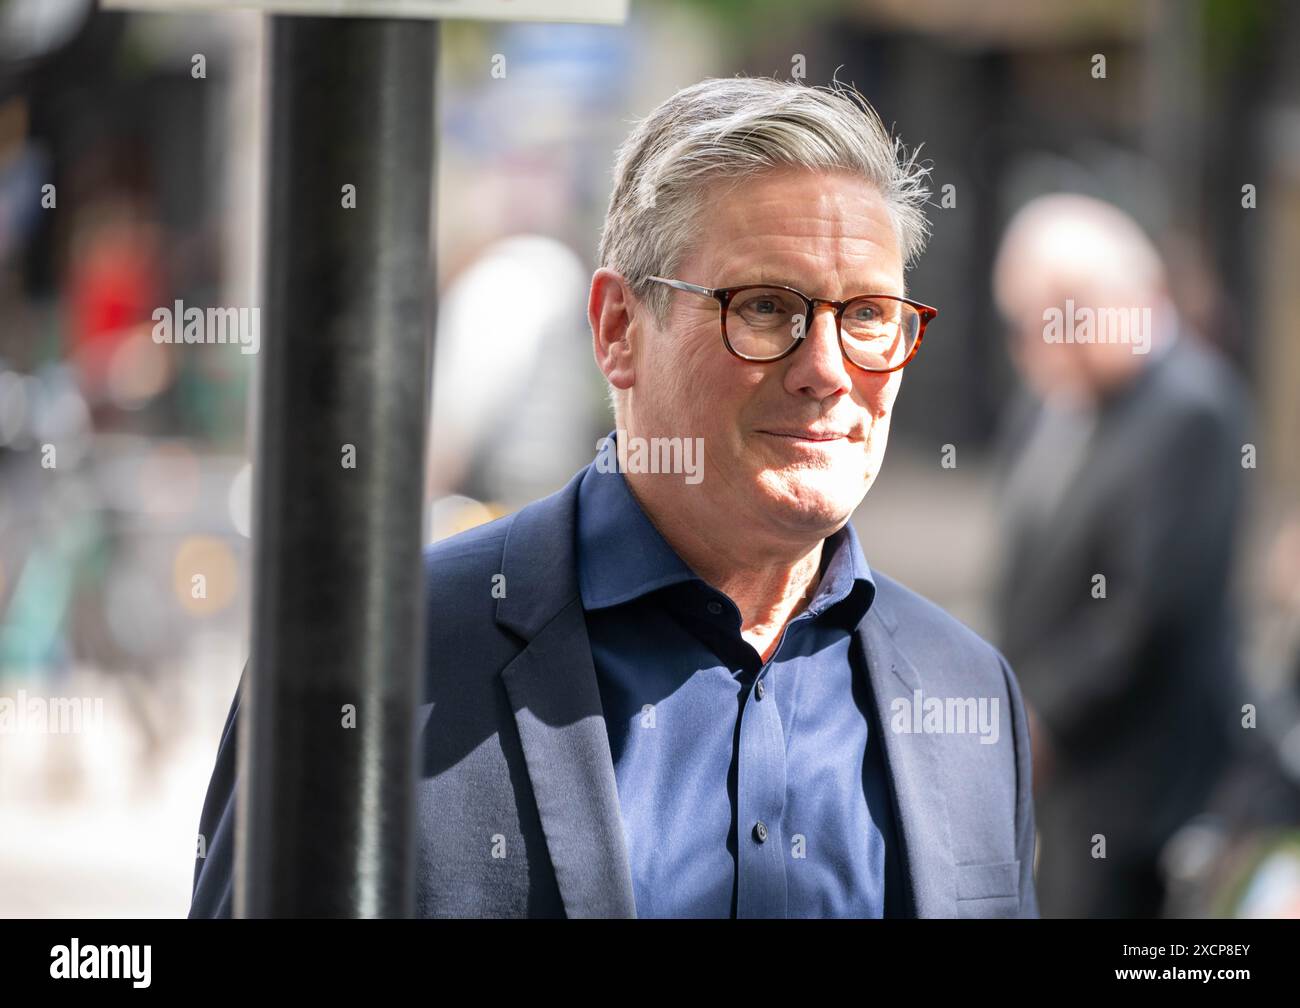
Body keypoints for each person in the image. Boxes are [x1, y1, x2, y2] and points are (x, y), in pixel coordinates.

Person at [190, 76, 1038, 918]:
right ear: (618, 330)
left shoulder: (965, 690)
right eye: (768, 307)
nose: (825, 370)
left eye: (866, 315)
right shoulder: (373, 666)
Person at [991, 193, 1250, 918]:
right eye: (1028, 324)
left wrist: (1048, 719)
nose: (1043, 345)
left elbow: (1150, 610)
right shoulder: (1052, 401)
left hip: (1144, 780)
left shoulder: (1193, 407)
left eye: (1060, 317)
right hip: (1057, 776)